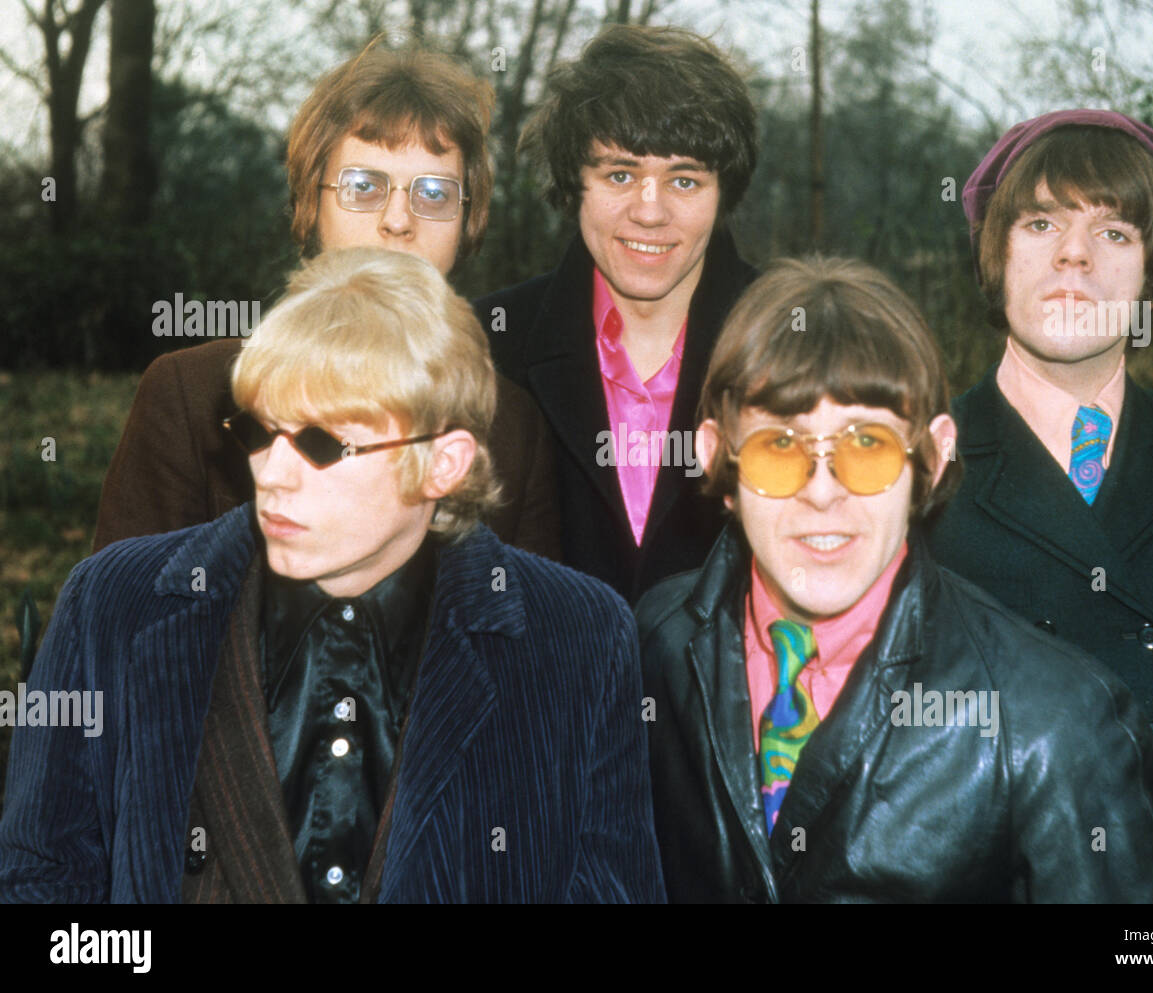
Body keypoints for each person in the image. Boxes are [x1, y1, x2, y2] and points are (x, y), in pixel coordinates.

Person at [0, 248, 665, 904]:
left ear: (444, 464)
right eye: (260, 432)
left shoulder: (577, 636)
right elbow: (39, 876)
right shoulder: (116, 603)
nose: (271, 474)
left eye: (321, 444)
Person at [636, 256, 1153, 903]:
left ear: (930, 456)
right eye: (779, 447)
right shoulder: (653, 645)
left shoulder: (1054, 726)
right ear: (716, 458)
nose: (822, 492)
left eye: (866, 446)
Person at [928, 109, 1153, 903]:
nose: (1074, 253)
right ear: (994, 255)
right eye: (1039, 223)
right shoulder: (923, 459)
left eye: (1116, 232)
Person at [93, 42, 560, 557]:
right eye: (363, 186)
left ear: (468, 221)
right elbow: (123, 619)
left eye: (433, 193)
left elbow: (527, 627)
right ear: (308, 204)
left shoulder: (513, 424)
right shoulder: (191, 397)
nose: (399, 220)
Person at [478, 25, 758, 603]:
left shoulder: (793, 340)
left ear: (722, 191)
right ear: (573, 182)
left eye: (684, 179)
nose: (648, 212)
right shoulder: (486, 346)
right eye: (620, 175)